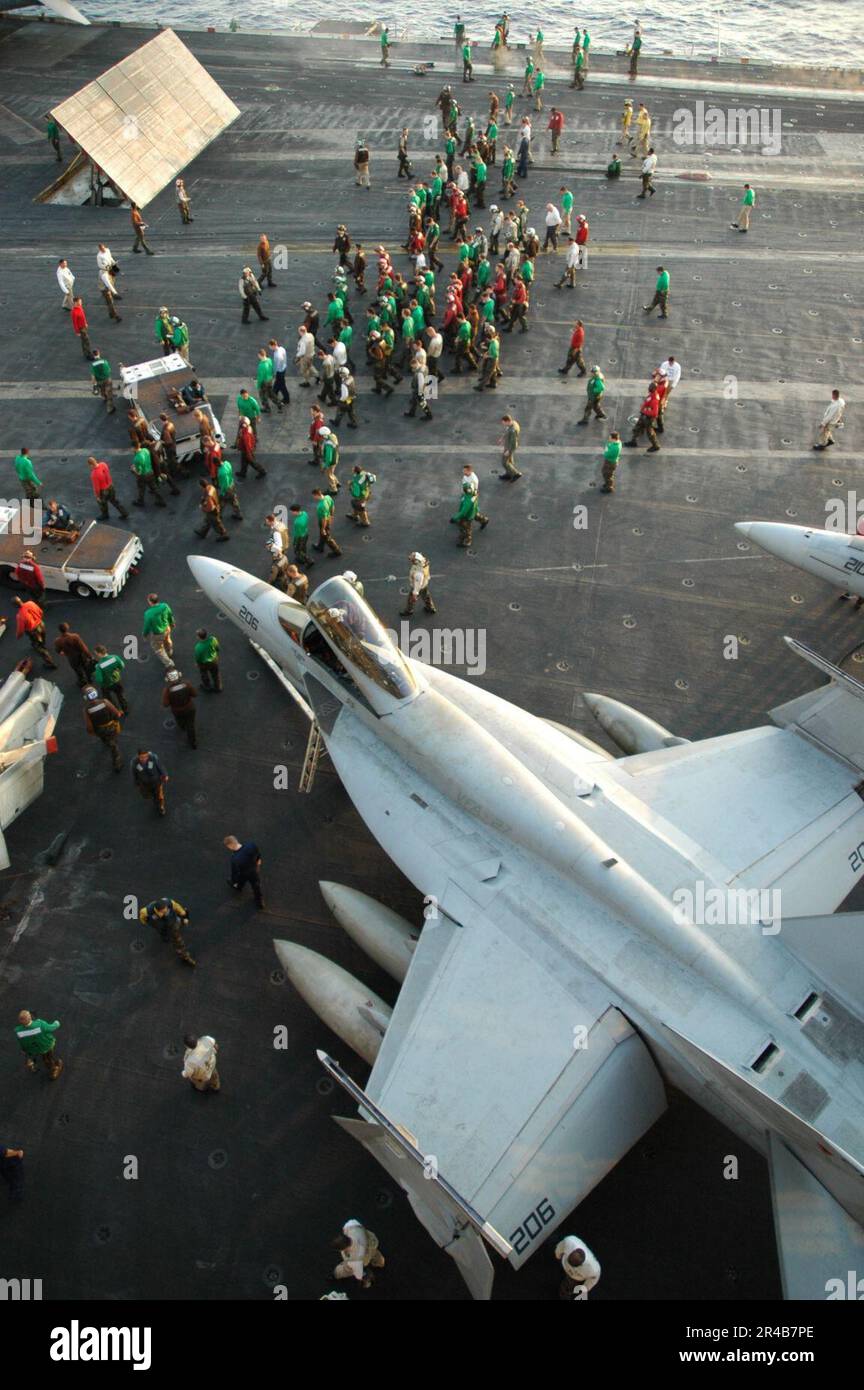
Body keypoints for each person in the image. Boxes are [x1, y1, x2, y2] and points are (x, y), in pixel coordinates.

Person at [139, 898, 195, 967]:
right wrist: (148, 922)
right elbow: (143, 918)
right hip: (160, 926)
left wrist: (184, 915)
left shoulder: (169, 903)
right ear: (159, 911)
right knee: (163, 932)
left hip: (172, 923)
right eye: (164, 911)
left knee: (177, 937)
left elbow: (178, 908)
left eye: (166, 909)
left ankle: (184, 955)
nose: (166, 911)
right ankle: (165, 936)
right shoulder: (146, 911)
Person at [83, 684, 123, 771]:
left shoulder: (87, 709)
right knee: (114, 747)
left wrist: (92, 732)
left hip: (100, 730)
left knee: (104, 738)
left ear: (86, 698)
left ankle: (105, 741)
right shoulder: (104, 702)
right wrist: (118, 716)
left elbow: (89, 725)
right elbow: (116, 713)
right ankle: (117, 763)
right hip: (111, 728)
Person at [333, 1220, 386, 1287]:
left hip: (363, 1260)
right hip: (371, 1245)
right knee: (377, 1257)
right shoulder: (353, 1228)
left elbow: (358, 1273)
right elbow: (351, 1223)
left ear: (344, 1249)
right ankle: (379, 1262)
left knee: (344, 1270)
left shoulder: (354, 1259)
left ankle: (335, 1275)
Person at [14, 1009, 63, 1080]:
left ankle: (35, 1063)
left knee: (42, 1056)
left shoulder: (18, 1031)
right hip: (46, 1045)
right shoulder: (40, 1024)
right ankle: (54, 1068)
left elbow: (23, 1043)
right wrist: (56, 1023)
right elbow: (51, 1028)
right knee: (48, 1059)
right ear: (30, 1017)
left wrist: (25, 1050)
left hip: (34, 1049)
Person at [14, 596, 56, 669]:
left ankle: (50, 663)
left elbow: (20, 629)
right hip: (41, 624)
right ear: (20, 600)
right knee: (43, 636)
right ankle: (43, 644)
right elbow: (41, 612)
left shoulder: (20, 616)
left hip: (34, 632)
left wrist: (18, 636)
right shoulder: (30, 603)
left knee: (39, 648)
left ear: (15, 606)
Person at [224, 835, 265, 909]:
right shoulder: (251, 845)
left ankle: (238, 886)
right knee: (256, 886)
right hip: (254, 871)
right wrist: (258, 860)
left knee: (240, 880)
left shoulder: (235, 859)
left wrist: (234, 880)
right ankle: (259, 901)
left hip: (244, 872)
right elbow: (258, 853)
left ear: (230, 846)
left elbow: (235, 872)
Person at [162, 669, 198, 748]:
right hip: (189, 708)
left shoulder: (167, 690)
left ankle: (183, 727)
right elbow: (195, 694)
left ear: (167, 679)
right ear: (179, 675)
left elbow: (166, 704)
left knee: (180, 721)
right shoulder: (187, 684)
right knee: (191, 725)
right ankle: (193, 742)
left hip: (177, 711)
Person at [54, 622, 94, 687]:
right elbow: (83, 648)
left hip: (72, 658)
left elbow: (58, 650)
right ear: (67, 628)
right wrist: (90, 656)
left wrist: (62, 652)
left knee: (77, 670)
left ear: (60, 630)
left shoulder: (57, 641)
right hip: (81, 655)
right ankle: (89, 679)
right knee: (86, 667)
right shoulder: (75, 636)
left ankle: (82, 681)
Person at [142, 593, 175, 669]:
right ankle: (169, 651)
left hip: (158, 633)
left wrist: (144, 634)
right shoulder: (165, 606)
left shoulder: (148, 613)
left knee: (158, 649)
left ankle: (169, 663)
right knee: (167, 639)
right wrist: (172, 623)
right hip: (167, 628)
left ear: (150, 602)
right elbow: (170, 615)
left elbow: (146, 626)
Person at [131, 748, 168, 816]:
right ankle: (155, 799)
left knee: (159, 796)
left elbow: (160, 766)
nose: (144, 759)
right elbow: (134, 773)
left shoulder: (153, 758)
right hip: (145, 784)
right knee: (148, 796)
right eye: (142, 757)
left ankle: (161, 807)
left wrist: (165, 775)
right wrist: (136, 783)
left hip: (156, 782)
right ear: (138, 756)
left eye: (146, 756)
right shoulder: (135, 763)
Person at [400, 551, 437, 616]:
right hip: (424, 583)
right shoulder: (423, 561)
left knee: (410, 599)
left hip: (418, 585)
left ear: (416, 561)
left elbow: (417, 585)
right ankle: (430, 608)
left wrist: (415, 595)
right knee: (426, 596)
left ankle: (409, 610)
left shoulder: (418, 574)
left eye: (412, 559)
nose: (410, 560)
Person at [312, 488, 342, 557]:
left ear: (316, 495)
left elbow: (324, 519)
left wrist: (323, 528)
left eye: (314, 496)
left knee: (327, 537)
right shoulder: (328, 497)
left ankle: (337, 551)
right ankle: (320, 547)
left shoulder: (321, 506)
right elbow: (333, 506)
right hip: (328, 518)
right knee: (322, 534)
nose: (314, 498)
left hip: (324, 522)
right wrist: (331, 515)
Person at [90, 350, 116, 415]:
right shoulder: (104, 361)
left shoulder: (93, 364)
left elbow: (93, 376)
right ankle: (110, 409)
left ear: (93, 355)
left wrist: (94, 385)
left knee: (102, 390)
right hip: (107, 379)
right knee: (109, 393)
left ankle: (104, 397)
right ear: (99, 353)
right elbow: (109, 370)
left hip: (99, 381)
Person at [70, 296, 95, 360]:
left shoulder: (80, 307)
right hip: (81, 329)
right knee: (86, 341)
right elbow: (74, 323)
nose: (81, 302)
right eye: (79, 301)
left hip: (84, 327)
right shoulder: (74, 312)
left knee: (84, 341)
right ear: (75, 302)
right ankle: (89, 354)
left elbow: (83, 315)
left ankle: (86, 353)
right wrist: (77, 332)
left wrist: (85, 323)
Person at [500, 413, 522, 480]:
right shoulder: (513, 423)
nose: (503, 424)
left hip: (510, 446)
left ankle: (515, 473)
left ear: (507, 421)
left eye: (503, 423)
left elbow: (513, 442)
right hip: (508, 445)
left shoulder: (513, 430)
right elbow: (507, 431)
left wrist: (508, 451)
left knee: (504, 462)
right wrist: (503, 438)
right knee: (509, 460)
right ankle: (509, 473)